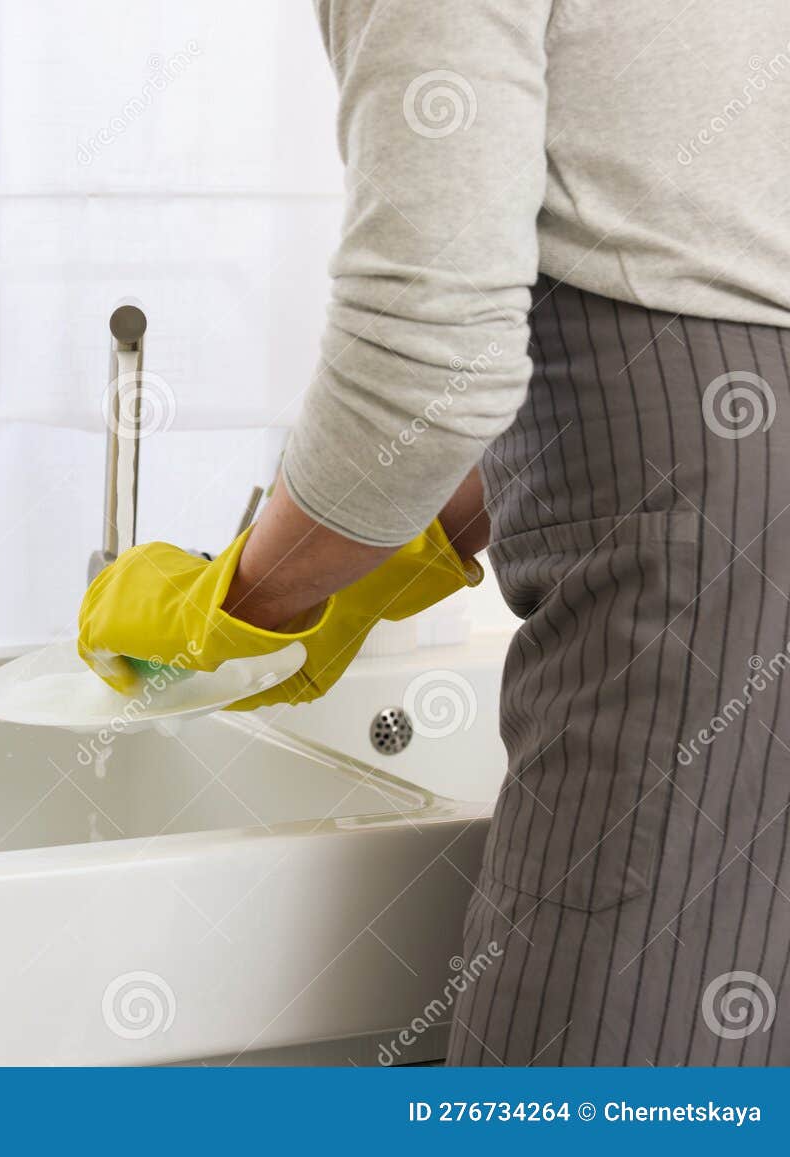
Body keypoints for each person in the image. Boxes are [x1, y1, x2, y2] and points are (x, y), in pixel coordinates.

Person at [77, 0, 790, 1064]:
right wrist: (377, 549)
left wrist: (235, 601)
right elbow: (679, 289)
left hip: (713, 578)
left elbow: (424, 361)